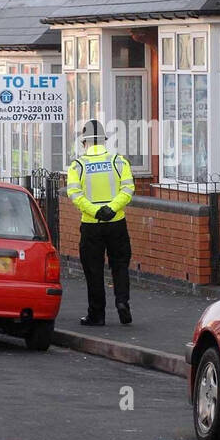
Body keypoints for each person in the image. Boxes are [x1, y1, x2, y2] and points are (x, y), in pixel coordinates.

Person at [66, 119, 135, 326]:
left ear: (84, 142)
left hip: (91, 225)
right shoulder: (119, 161)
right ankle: (122, 303)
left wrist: (95, 211)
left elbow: (74, 194)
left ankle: (97, 314)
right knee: (120, 265)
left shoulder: (77, 166)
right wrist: (112, 208)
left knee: (93, 270)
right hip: (117, 223)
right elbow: (128, 189)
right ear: (104, 140)